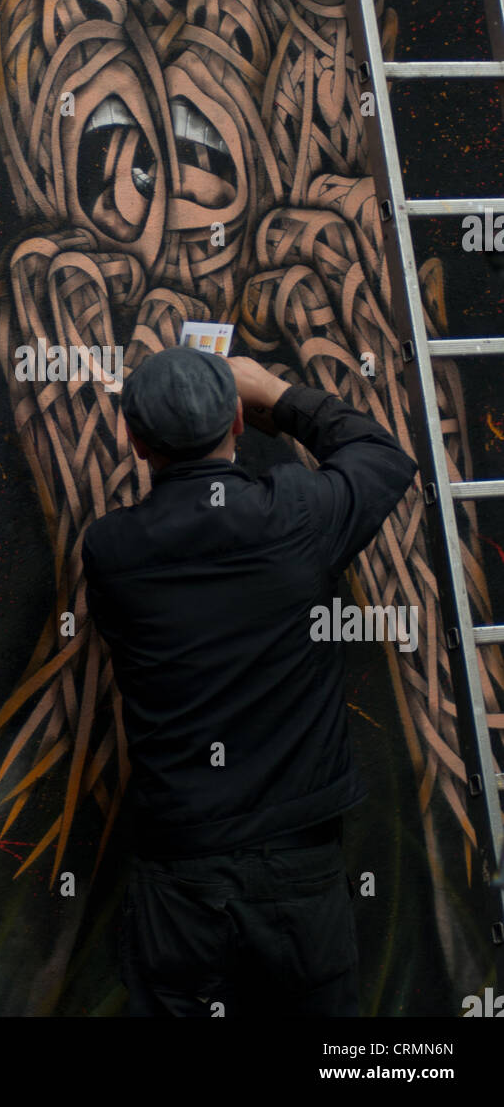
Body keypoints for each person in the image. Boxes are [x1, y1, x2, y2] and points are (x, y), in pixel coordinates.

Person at [81, 348, 418, 1017]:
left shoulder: (111, 549)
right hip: (299, 870)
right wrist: (278, 394)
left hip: (180, 878)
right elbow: (382, 458)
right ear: (238, 420)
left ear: (135, 442)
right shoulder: (298, 513)